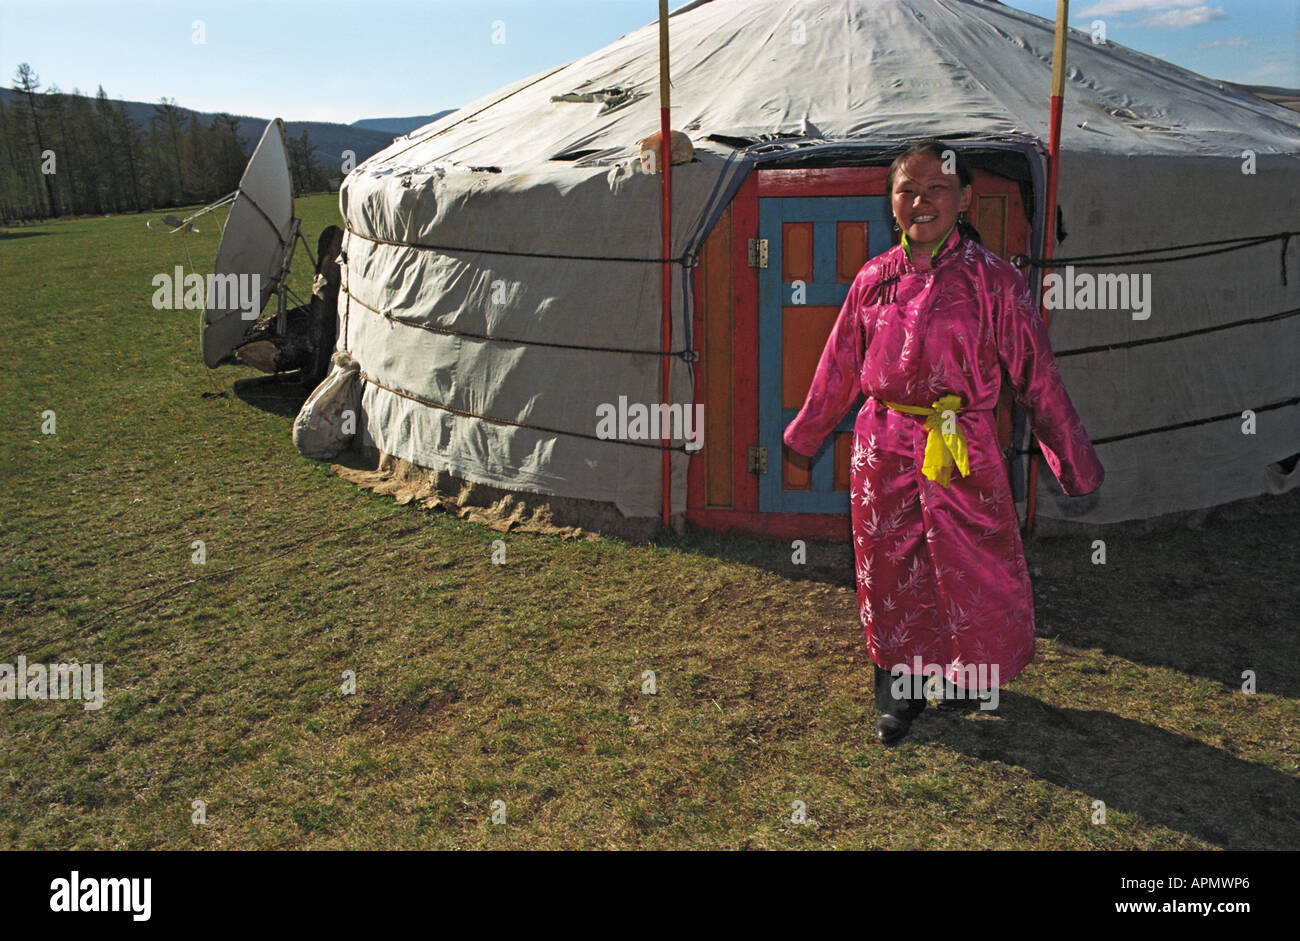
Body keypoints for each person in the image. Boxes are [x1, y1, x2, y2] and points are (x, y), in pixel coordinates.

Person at [783, 140, 1104, 745]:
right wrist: (808, 430)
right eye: (908, 190)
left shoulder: (996, 282)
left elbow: (1037, 376)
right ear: (892, 203)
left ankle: (966, 679)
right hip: (883, 444)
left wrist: (1074, 462)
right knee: (890, 567)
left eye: (937, 188)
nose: (921, 201)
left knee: (973, 569)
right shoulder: (874, 279)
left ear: (964, 198)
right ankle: (898, 697)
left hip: (965, 446)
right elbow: (839, 365)